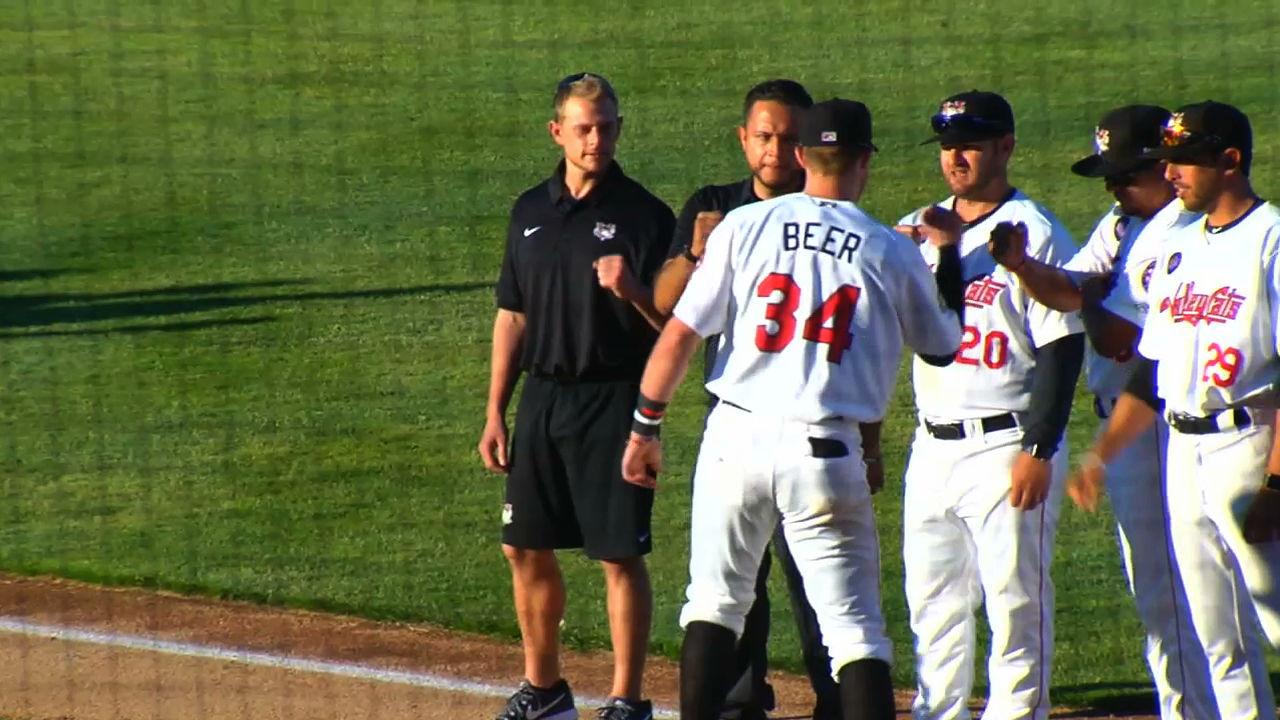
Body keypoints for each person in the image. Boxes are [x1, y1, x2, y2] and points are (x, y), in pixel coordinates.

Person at [621, 97, 965, 720]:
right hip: (827, 453)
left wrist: (646, 427)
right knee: (854, 633)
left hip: (734, 440)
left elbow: (678, 335)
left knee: (714, 604)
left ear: (802, 156)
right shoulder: (887, 248)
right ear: (864, 162)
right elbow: (943, 347)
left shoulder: (742, 226)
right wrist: (947, 256)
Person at [985, 105, 1215, 719]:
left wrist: (1083, 297)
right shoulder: (1121, 225)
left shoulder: (1183, 232)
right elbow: (1070, 290)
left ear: (1165, 167)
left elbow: (1125, 342)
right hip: (1135, 426)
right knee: (1162, 594)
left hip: (1167, 427)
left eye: (1123, 175)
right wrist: (1024, 267)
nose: (1112, 187)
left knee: (1183, 593)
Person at [1067, 100, 1280, 720]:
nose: (1172, 173)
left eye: (1183, 160)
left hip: (1249, 441)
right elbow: (1153, 373)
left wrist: (1276, 480)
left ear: (1230, 161)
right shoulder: (1180, 246)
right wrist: (1100, 456)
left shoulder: (1271, 238)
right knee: (1220, 640)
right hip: (1184, 455)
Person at [479, 72, 675, 720]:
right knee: (522, 545)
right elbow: (512, 316)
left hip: (614, 402)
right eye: (584, 127)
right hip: (542, 399)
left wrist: (634, 293)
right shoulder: (529, 211)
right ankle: (546, 691)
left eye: (607, 126)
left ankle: (626, 701)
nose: (597, 139)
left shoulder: (645, 216)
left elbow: (674, 331)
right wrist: (495, 412)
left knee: (618, 553)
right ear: (557, 131)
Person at [651, 78, 849, 720]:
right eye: (763, 136)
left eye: (789, 138)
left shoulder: (826, 211)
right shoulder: (714, 206)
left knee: (812, 575)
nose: (774, 149)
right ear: (743, 139)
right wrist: (694, 250)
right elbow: (665, 302)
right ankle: (739, 703)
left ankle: (835, 698)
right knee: (736, 578)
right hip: (735, 423)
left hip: (812, 419)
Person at [894, 89, 1085, 720]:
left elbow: (1062, 347)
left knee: (1015, 599)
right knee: (932, 599)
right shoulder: (916, 228)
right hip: (931, 445)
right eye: (948, 144)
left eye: (970, 143)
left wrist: (1039, 448)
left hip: (1007, 445)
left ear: (1006, 146)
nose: (956, 156)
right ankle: (937, 711)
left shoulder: (1037, 232)